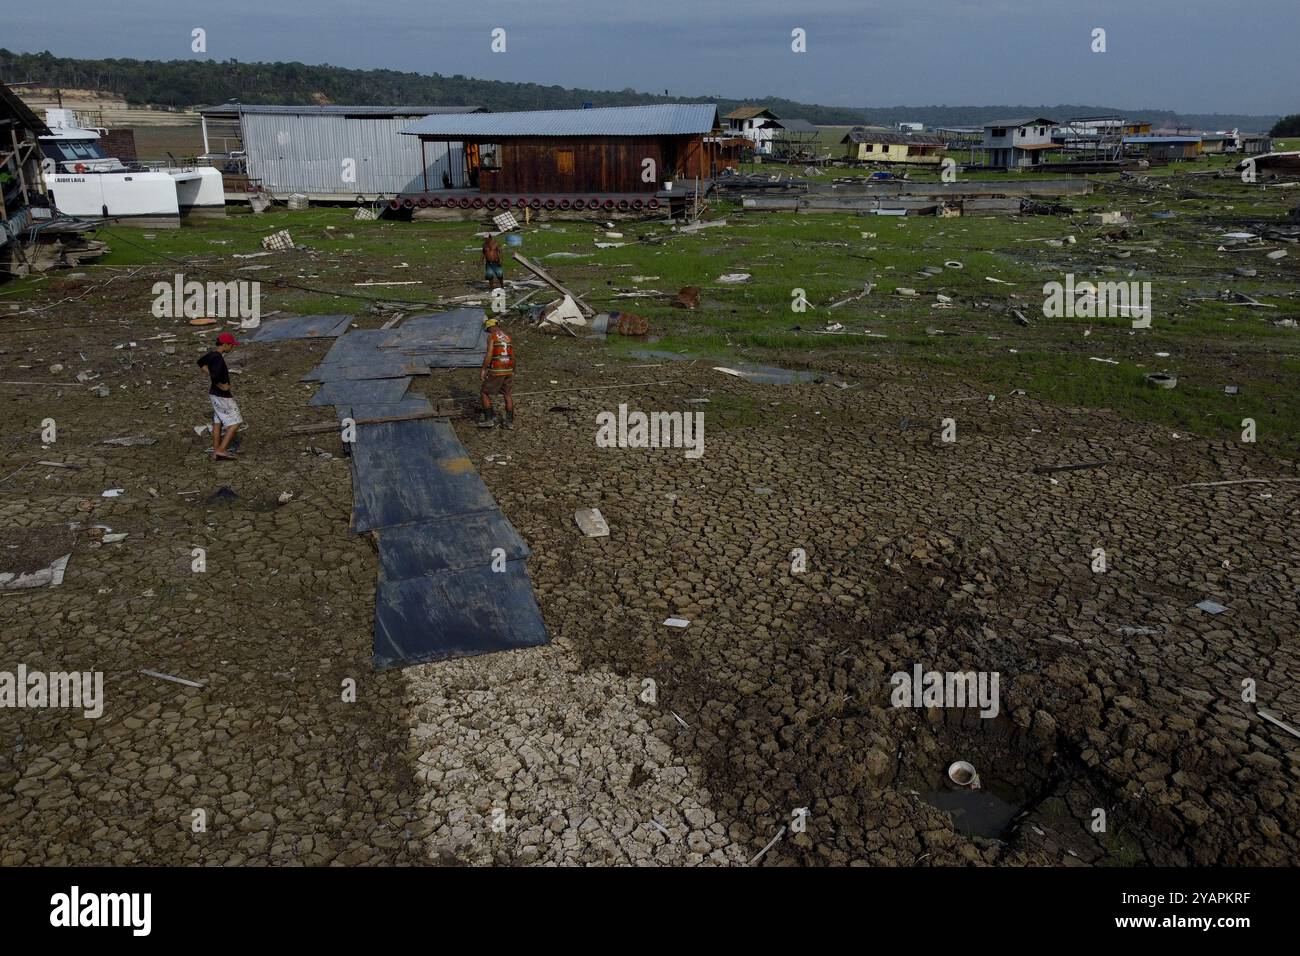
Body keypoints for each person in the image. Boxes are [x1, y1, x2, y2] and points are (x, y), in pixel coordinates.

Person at [197, 332, 242, 460]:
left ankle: (215, 451)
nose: (232, 348)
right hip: (222, 396)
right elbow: (216, 377)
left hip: (214, 394)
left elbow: (200, 362)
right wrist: (224, 386)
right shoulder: (218, 358)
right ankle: (222, 449)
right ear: (225, 344)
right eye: (231, 345)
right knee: (236, 423)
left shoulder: (212, 355)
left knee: (218, 422)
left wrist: (210, 374)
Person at [478, 317, 514, 429]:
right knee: (507, 394)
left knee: (484, 393)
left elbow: (489, 354)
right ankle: (509, 422)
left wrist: (484, 369)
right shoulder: (507, 337)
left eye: (488, 329)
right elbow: (513, 356)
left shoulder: (492, 337)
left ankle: (489, 419)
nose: (488, 332)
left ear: (490, 328)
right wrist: (513, 370)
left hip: (497, 369)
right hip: (508, 369)